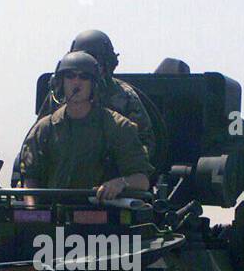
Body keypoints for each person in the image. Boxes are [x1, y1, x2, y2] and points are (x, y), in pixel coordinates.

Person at [16, 51, 152, 201]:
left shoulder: (117, 127)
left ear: (94, 85)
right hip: (54, 215)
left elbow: (142, 180)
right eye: (70, 76)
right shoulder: (45, 128)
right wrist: (34, 214)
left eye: (84, 77)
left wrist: (120, 183)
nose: (76, 82)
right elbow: (30, 180)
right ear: (61, 83)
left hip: (100, 216)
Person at [37, 29, 156, 161]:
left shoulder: (124, 96)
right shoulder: (61, 93)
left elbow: (145, 142)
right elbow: (39, 136)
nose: (77, 80)